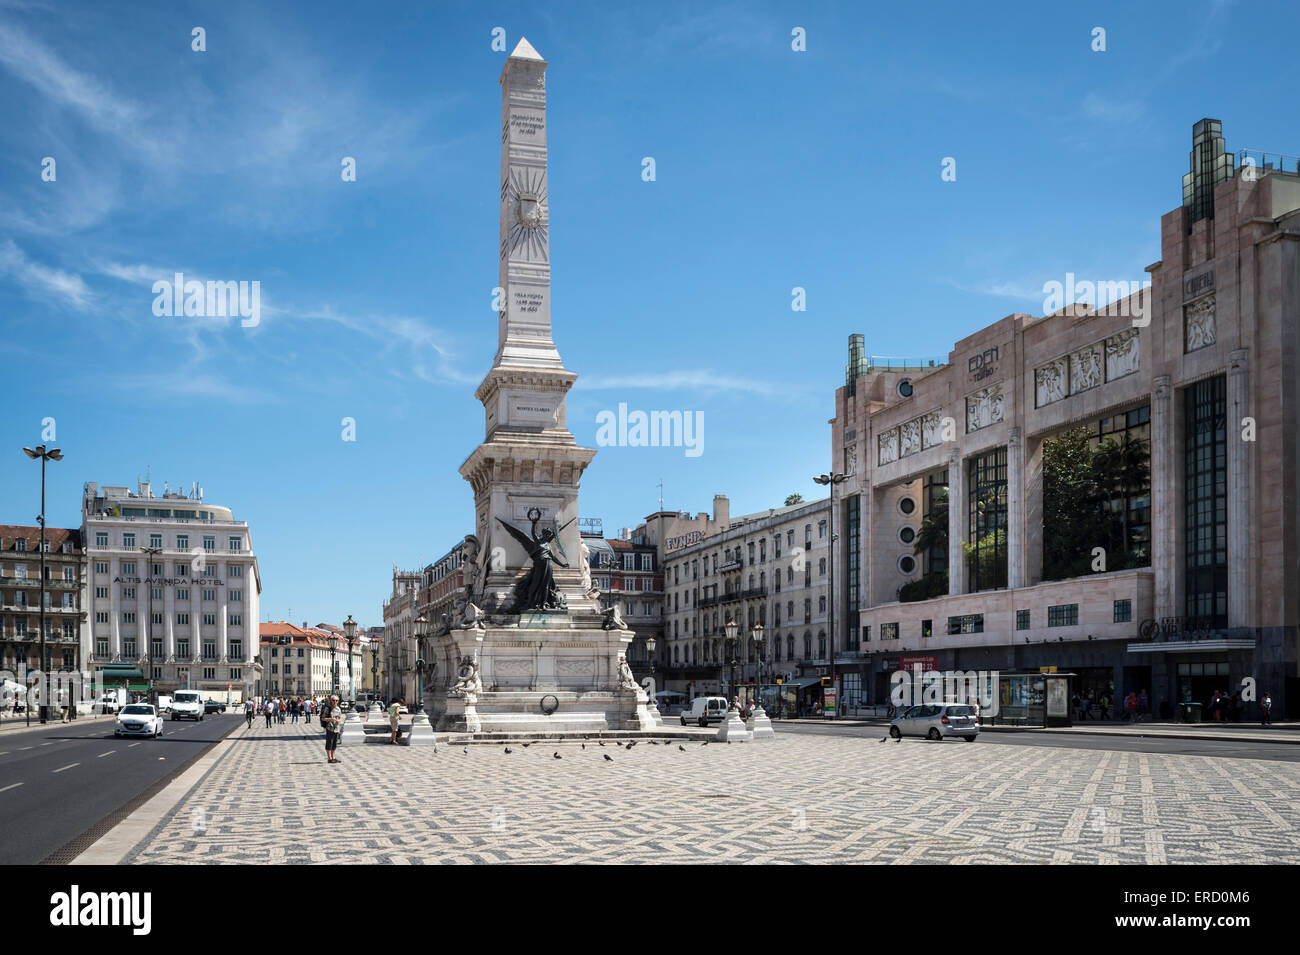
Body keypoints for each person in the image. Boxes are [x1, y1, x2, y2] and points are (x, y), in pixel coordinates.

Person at [322, 694, 343, 763]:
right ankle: (329, 758)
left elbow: (340, 718)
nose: (335, 702)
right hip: (329, 728)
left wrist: (339, 720)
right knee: (329, 743)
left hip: (336, 728)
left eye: (336, 700)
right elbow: (323, 718)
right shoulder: (328, 708)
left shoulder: (338, 709)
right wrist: (330, 719)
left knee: (334, 743)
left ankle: (333, 757)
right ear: (331, 701)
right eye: (333, 700)